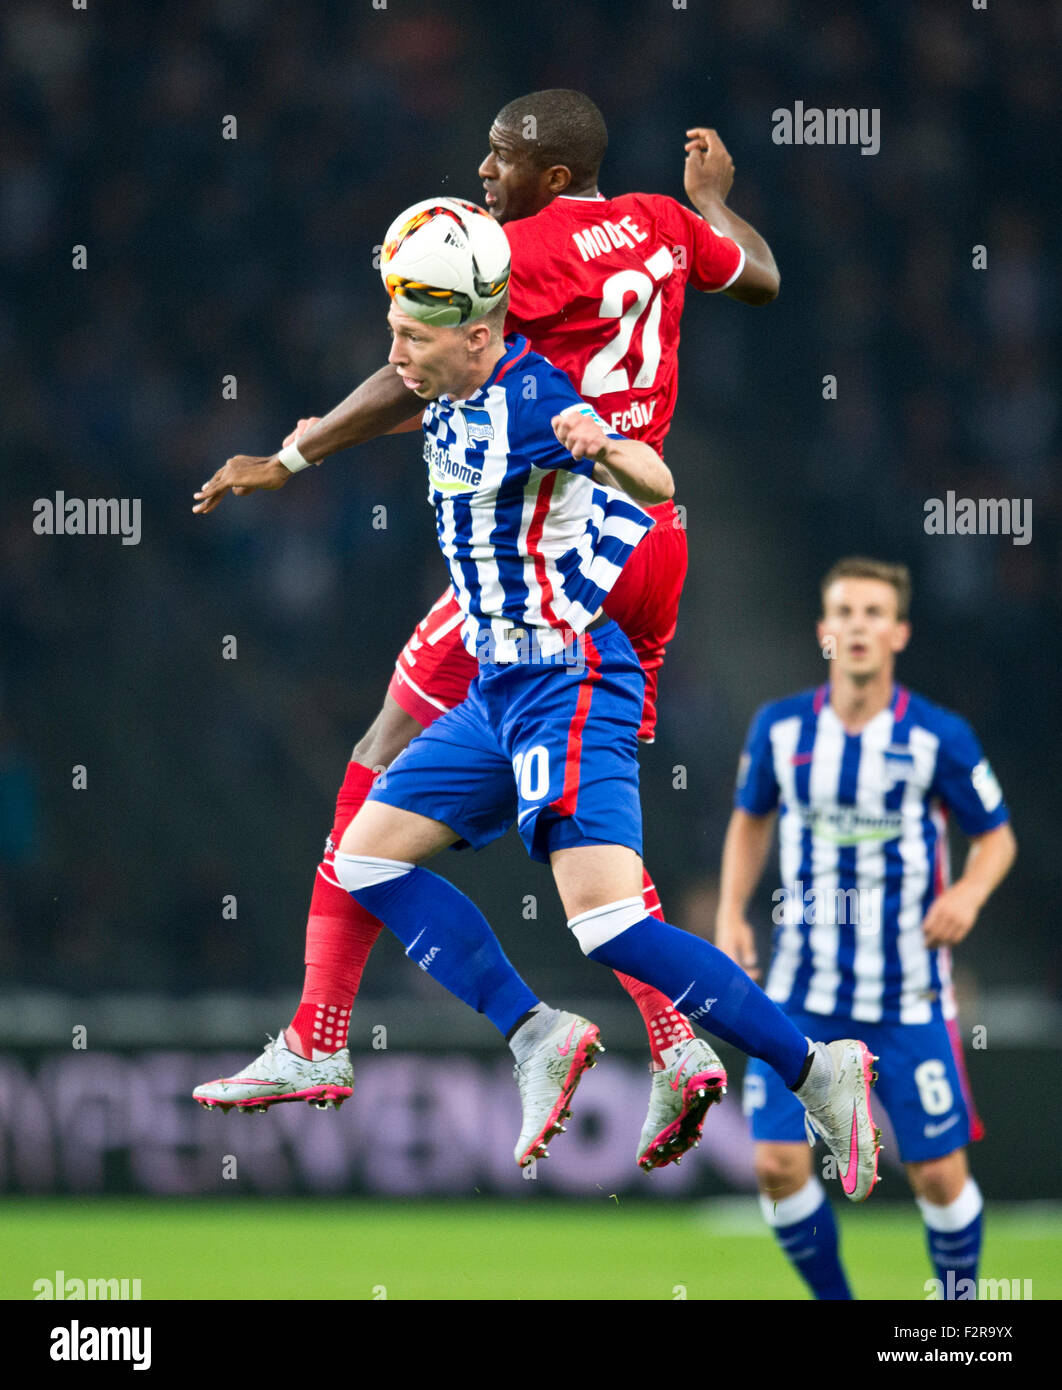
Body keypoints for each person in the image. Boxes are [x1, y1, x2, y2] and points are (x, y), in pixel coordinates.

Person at [193, 89, 780, 1169]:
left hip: (561, 530)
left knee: (377, 754)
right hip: (654, 535)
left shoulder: (523, 251)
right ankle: (677, 1040)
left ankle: (323, 1035)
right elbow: (762, 277)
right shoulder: (657, 218)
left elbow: (416, 367)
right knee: (593, 813)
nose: (483, 173)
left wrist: (291, 456)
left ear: (551, 175)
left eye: (502, 159)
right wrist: (716, 204)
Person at [715, 557, 1016, 1294]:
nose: (857, 626)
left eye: (874, 613)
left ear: (899, 632)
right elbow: (750, 819)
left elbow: (997, 836)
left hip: (907, 995)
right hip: (801, 992)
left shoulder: (940, 737)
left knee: (939, 1176)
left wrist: (971, 895)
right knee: (776, 1165)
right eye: (844, 612)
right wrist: (730, 911)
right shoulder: (781, 728)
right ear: (824, 632)